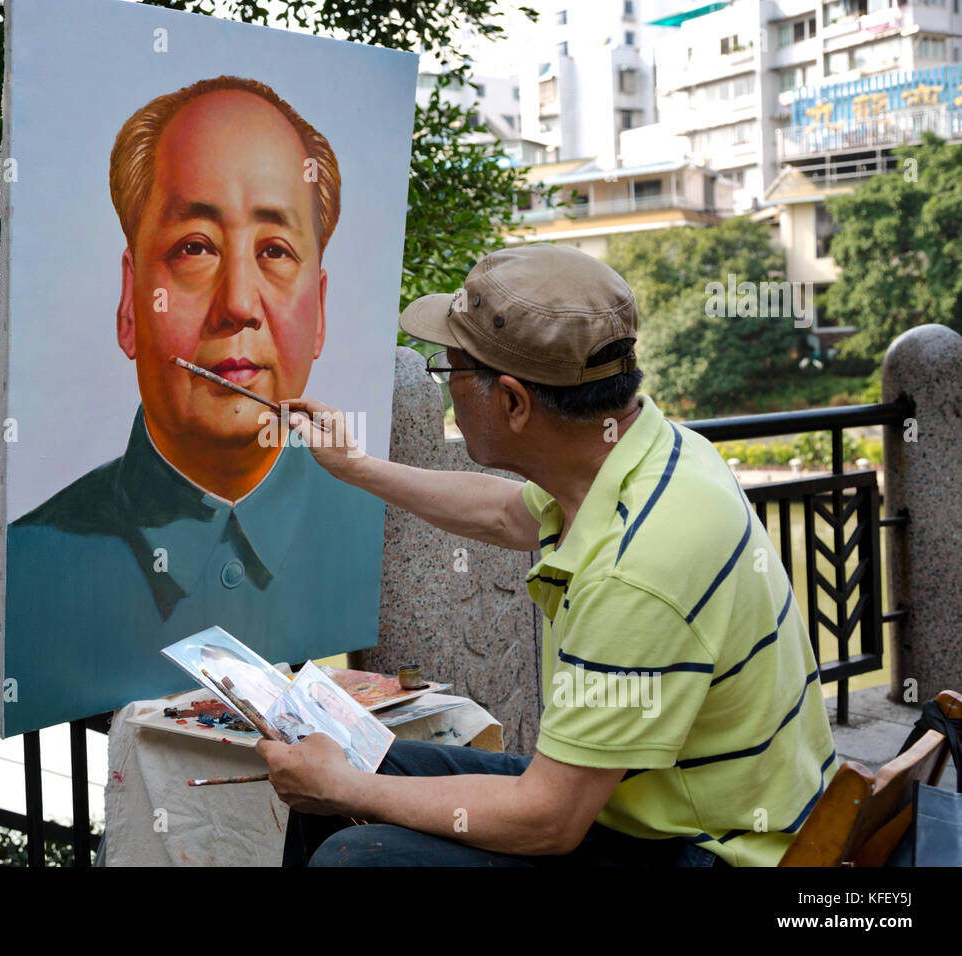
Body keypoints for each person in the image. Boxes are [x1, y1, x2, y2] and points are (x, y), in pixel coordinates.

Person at [258, 244, 837, 867]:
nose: (447, 387)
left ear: (512, 402)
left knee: (357, 854)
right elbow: (506, 513)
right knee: (347, 747)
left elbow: (549, 820)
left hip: (708, 850)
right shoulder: (651, 454)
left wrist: (344, 790)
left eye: (447, 368)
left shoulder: (637, 570)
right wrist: (357, 467)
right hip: (636, 803)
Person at [0, 76, 383, 735]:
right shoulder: (37, 564)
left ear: (319, 309)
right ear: (130, 302)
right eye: (196, 248)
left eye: (274, 251)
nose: (237, 301)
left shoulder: (368, 527)